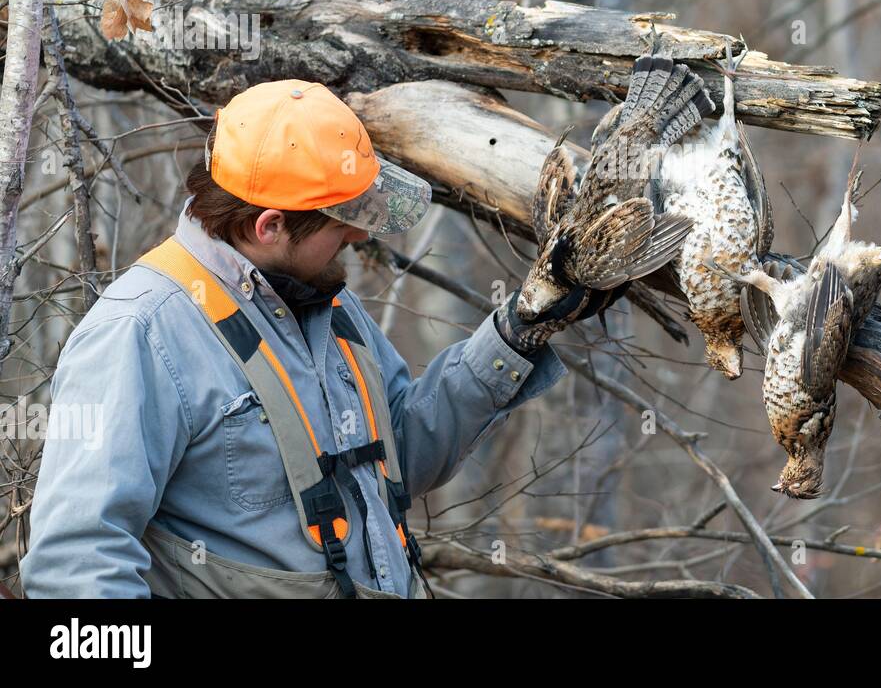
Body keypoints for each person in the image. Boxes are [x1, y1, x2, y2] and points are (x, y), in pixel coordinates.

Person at [20, 79, 610, 598]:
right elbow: (75, 563)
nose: (358, 233)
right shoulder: (140, 330)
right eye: (342, 218)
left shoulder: (321, 296)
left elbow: (398, 455)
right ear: (269, 225)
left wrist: (516, 333)